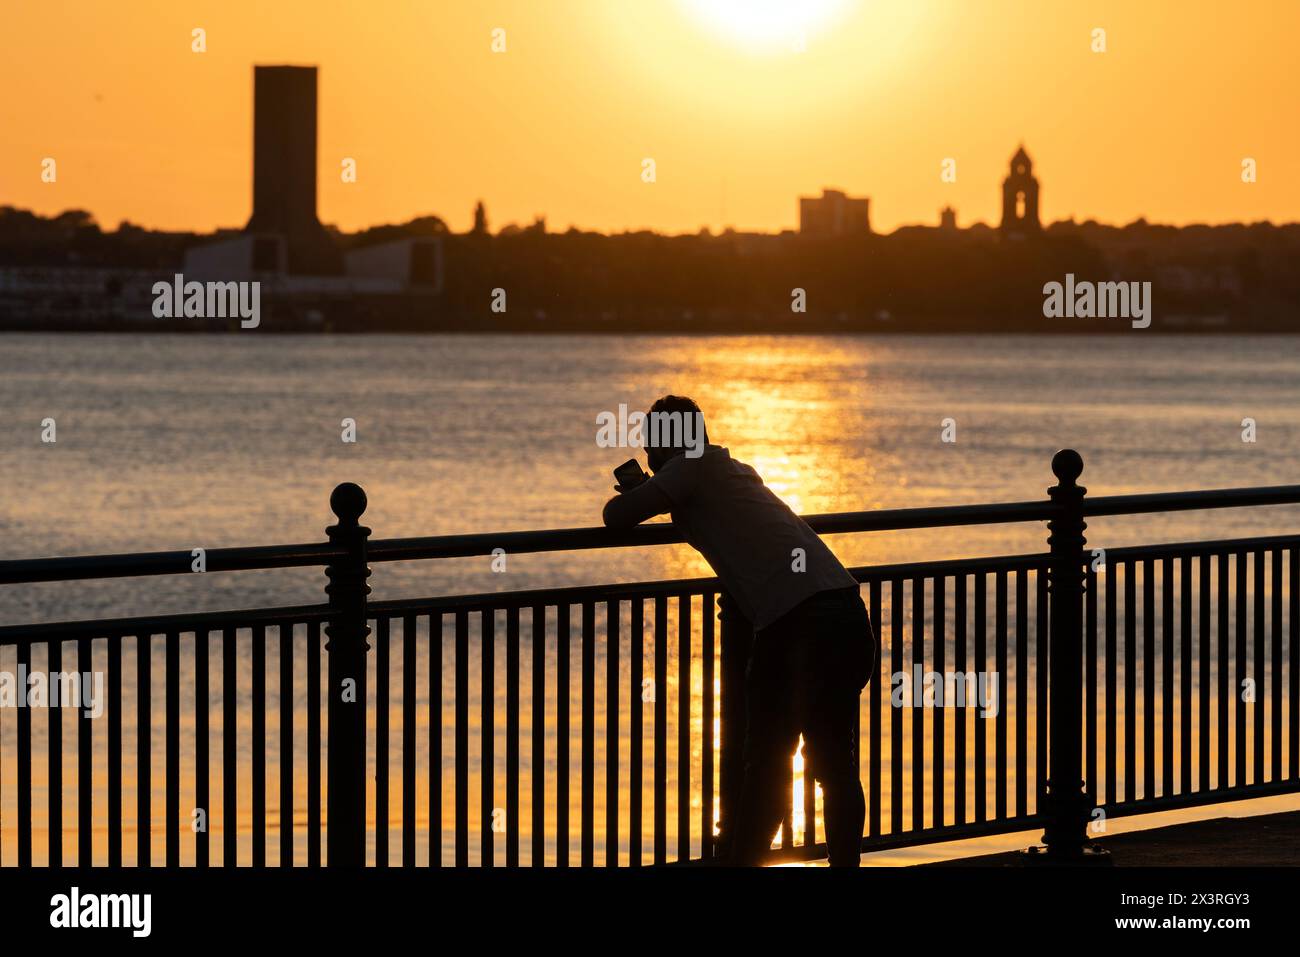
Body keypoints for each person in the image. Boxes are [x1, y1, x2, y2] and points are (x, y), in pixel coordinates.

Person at [602, 395, 876, 866]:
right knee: (834, 763)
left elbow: (616, 517)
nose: (647, 452)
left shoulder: (687, 471)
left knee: (766, 764)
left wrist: (639, 490)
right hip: (846, 611)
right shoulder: (734, 470)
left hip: (796, 625)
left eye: (650, 444)